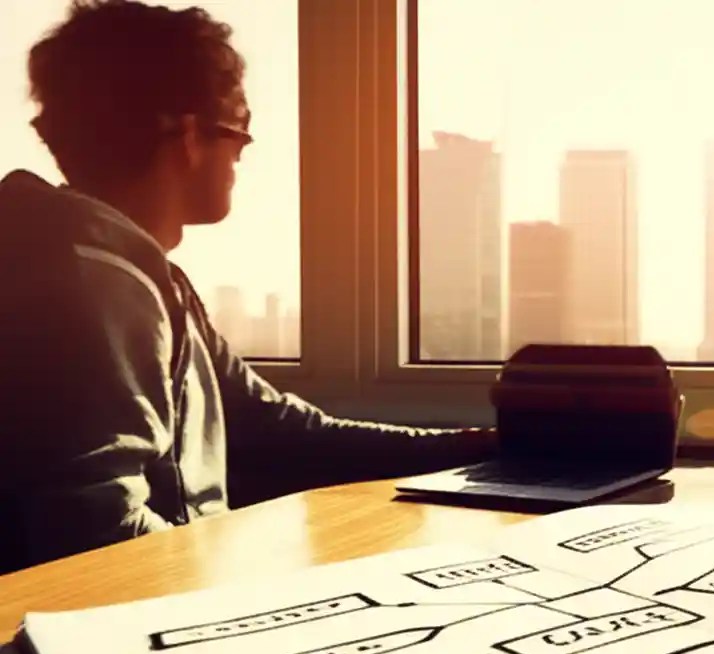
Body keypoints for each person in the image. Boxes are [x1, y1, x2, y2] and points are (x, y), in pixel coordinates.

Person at [0, 0, 496, 572]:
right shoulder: (92, 287)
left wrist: (473, 445)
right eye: (240, 131)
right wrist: (240, 586)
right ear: (189, 136)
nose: (242, 154)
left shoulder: (145, 280)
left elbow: (275, 427)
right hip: (134, 614)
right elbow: (95, 533)